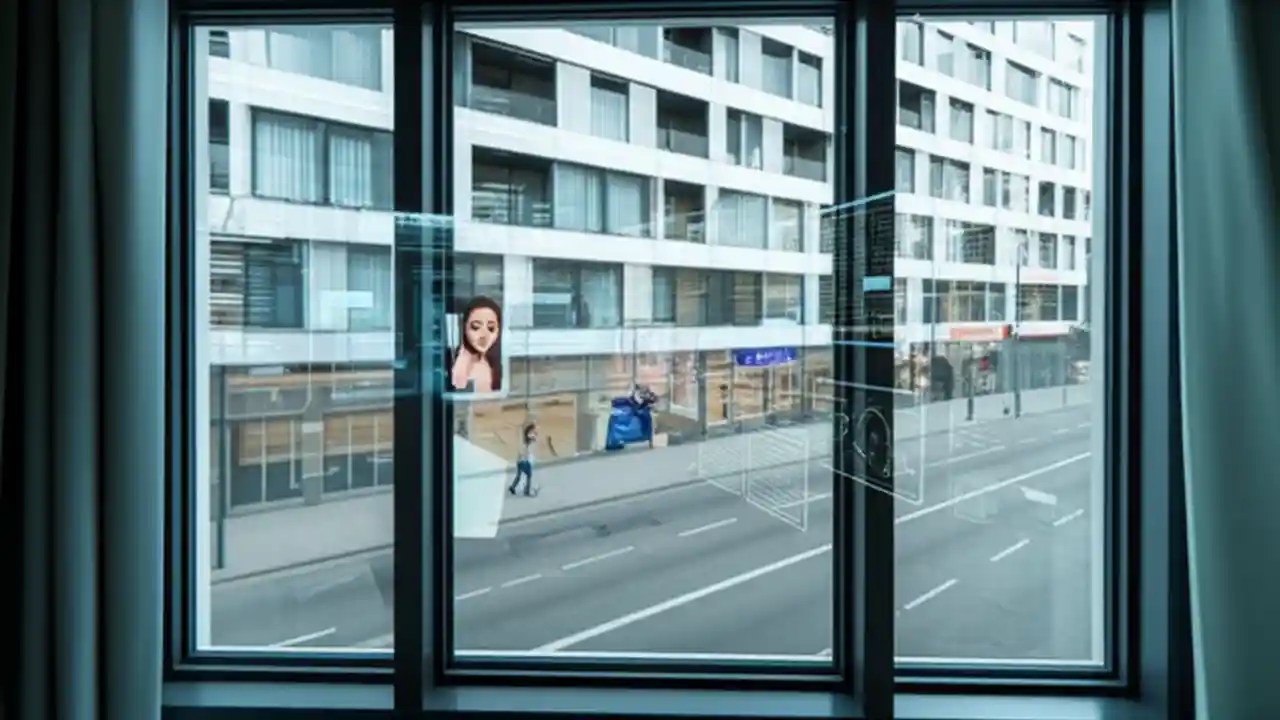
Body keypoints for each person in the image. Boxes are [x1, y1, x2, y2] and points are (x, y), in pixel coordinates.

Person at [447, 296, 502, 394]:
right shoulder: (460, 361)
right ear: (464, 327)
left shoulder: (495, 362)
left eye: (491, 328)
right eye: (476, 327)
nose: (484, 335)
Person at [508, 422, 537, 497]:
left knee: (518, 476)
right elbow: (531, 439)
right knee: (529, 474)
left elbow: (531, 439)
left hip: (519, 460)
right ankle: (527, 491)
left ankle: (512, 487)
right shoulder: (528, 436)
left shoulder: (526, 437)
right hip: (524, 461)